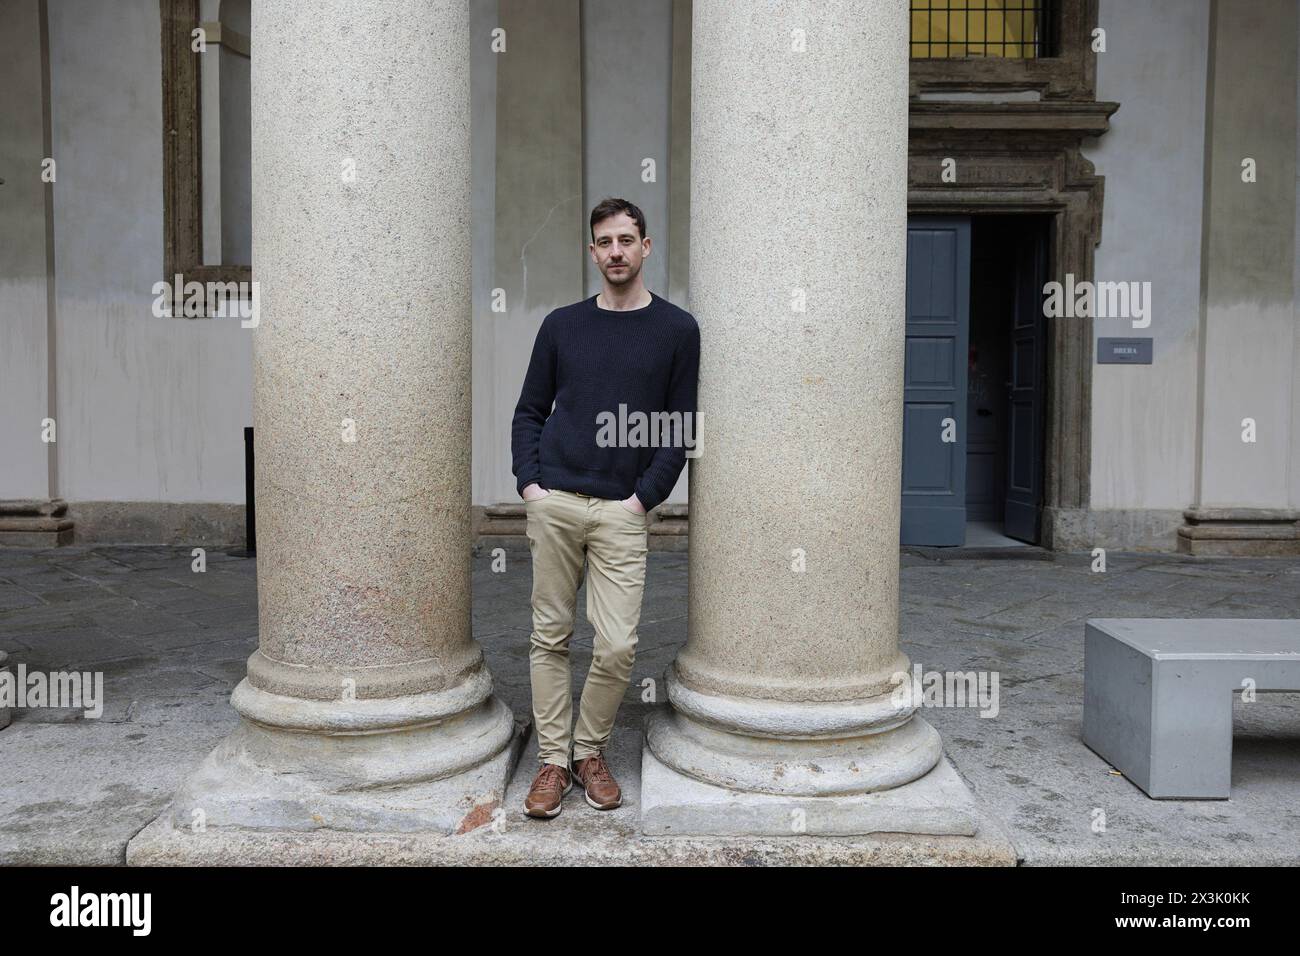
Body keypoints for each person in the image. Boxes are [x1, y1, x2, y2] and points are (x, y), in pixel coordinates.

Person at [510, 197, 699, 818]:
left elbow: (678, 426)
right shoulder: (562, 326)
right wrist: (531, 486)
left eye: (626, 240)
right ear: (593, 252)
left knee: (616, 646)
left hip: (623, 508)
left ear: (646, 247)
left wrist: (646, 497)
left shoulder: (677, 330)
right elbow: (530, 409)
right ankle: (552, 762)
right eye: (604, 242)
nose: (615, 251)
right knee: (551, 636)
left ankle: (589, 751)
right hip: (557, 500)